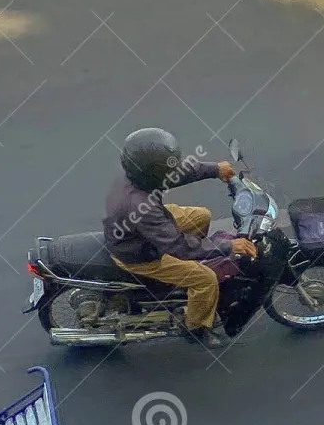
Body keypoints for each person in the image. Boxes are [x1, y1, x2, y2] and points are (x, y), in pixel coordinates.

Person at [103, 128, 257, 350]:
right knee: (205, 279)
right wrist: (228, 246)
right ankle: (195, 327)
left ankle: (193, 271)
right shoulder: (139, 204)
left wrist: (215, 169)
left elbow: (177, 173)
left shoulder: (137, 175)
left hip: (144, 229)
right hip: (141, 253)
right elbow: (178, 246)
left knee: (201, 216)